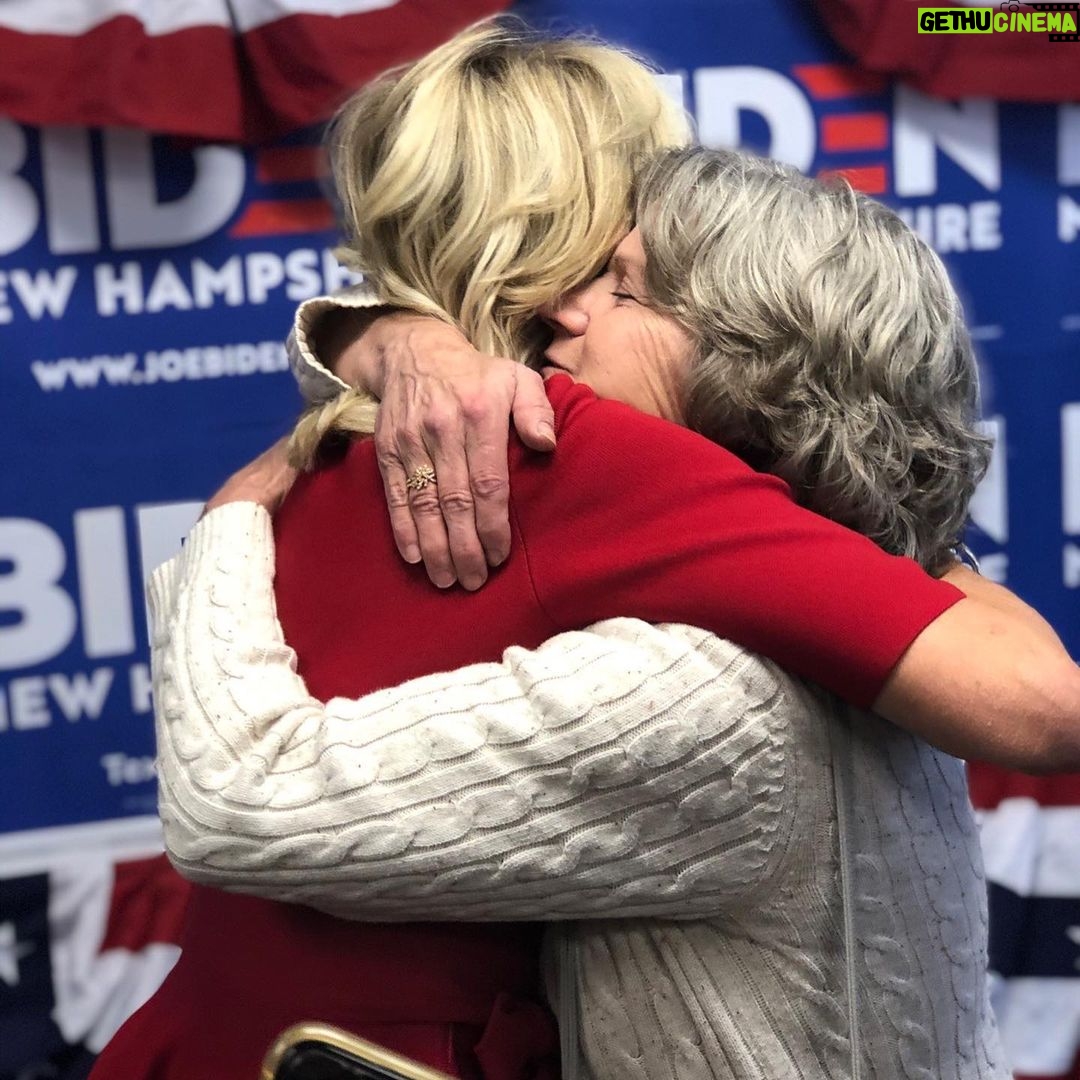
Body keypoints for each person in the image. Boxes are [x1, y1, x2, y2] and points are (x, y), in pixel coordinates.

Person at [98, 22, 1080, 1080]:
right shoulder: (559, 448)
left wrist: (297, 432)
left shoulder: (354, 445)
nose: (577, 307)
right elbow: (1030, 696)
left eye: (623, 283)